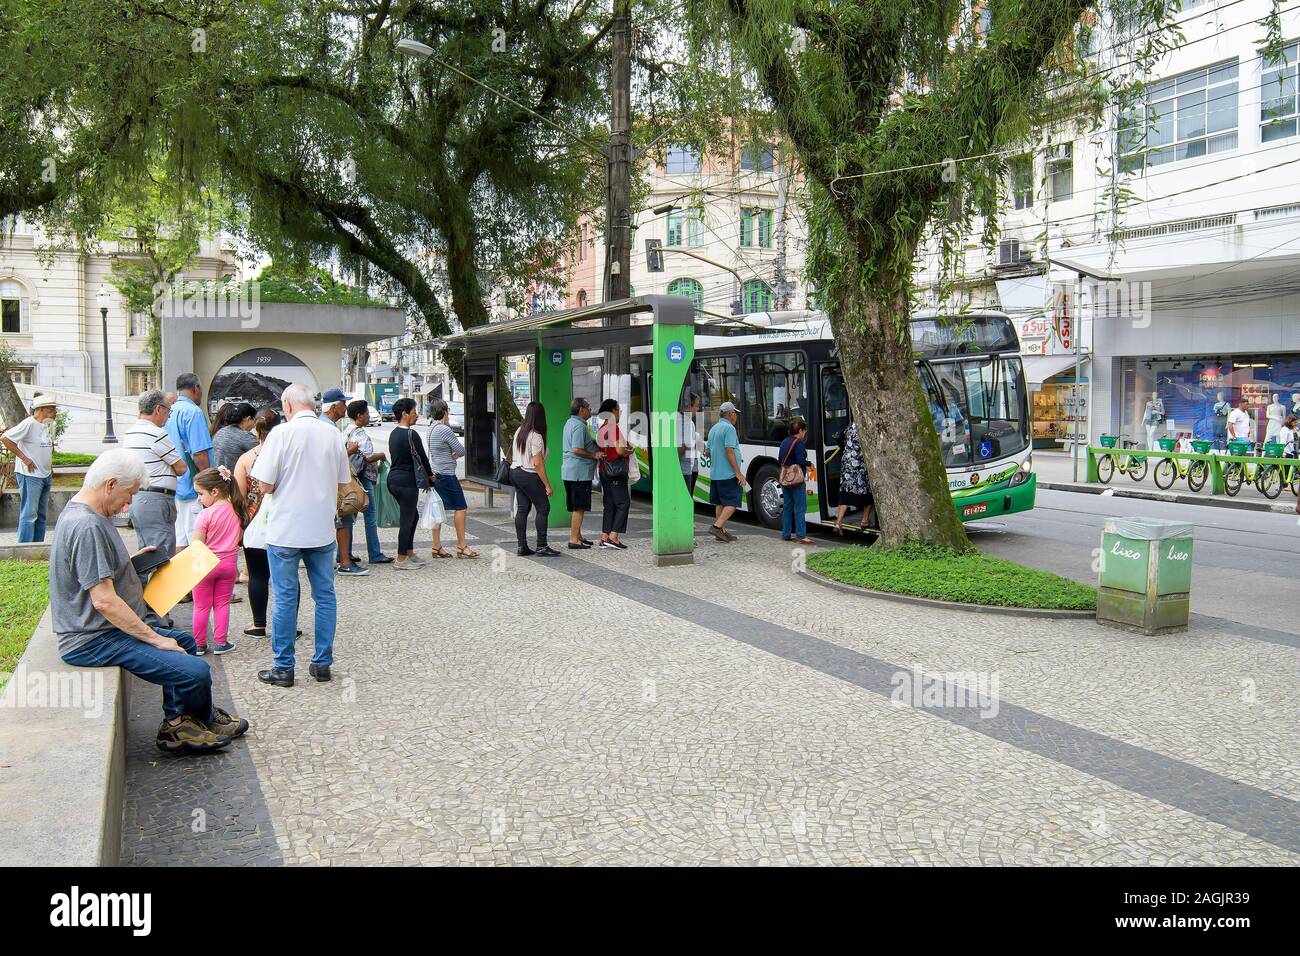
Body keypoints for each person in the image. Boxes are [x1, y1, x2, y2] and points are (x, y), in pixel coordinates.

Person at [50, 449, 247, 753]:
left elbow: (94, 572)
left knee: (184, 641)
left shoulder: (86, 515)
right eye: (128, 495)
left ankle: (180, 722)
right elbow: (103, 601)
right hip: (93, 638)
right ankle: (189, 724)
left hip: (102, 630)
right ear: (110, 484)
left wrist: (131, 563)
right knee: (196, 672)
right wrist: (154, 639)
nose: (128, 505)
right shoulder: (87, 525)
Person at [250, 383, 352, 687]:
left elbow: (265, 485)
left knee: (284, 597)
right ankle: (322, 664)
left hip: (285, 530)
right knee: (325, 596)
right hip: (321, 529)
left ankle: (284, 667)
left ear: (288, 406)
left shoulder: (280, 434)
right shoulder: (332, 434)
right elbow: (342, 481)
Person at [234, 407, 295, 638]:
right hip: (285, 521)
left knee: (258, 575)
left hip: (254, 523)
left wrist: (242, 524)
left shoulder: (246, 459)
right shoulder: (288, 456)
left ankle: (259, 624)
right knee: (288, 577)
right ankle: (289, 625)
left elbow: (239, 495)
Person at [189, 467, 247, 655]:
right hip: (228, 565)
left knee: (201, 606)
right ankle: (221, 643)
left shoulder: (205, 514)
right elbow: (239, 538)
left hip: (205, 565)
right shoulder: (236, 511)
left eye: (200, 493)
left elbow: (196, 544)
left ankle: (199, 644)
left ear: (214, 492)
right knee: (222, 604)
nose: (199, 498)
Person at [124, 390, 186, 559]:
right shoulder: (156, 433)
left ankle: (144, 586)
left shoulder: (130, 432)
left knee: (146, 552)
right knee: (161, 554)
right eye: (168, 410)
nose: (168, 416)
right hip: (156, 499)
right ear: (158, 409)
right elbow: (181, 468)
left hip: (139, 498)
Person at [164, 373, 213, 552]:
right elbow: (199, 453)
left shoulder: (170, 410)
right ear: (196, 389)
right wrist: (209, 482)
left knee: (180, 539)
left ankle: (183, 580)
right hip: (195, 487)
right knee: (198, 540)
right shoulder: (193, 412)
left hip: (176, 484)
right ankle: (200, 580)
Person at [2, 394, 57, 543]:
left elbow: (44, 448)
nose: (55, 413)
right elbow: (5, 438)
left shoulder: (45, 426)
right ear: (42, 409)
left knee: (41, 514)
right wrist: (24, 458)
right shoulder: (29, 423)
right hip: (30, 475)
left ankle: (37, 545)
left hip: (44, 475)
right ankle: (24, 547)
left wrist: (49, 466)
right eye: (52, 409)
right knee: (29, 513)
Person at [427, 398, 477, 559]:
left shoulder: (431, 428)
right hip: (447, 474)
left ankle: (436, 546)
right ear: (445, 411)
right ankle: (462, 545)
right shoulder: (444, 429)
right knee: (461, 507)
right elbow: (461, 450)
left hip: (436, 473)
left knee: (437, 509)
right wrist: (453, 454)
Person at [386, 397, 432, 569]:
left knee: (413, 516)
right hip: (406, 482)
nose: (417, 416)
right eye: (414, 412)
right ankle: (400, 558)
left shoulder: (394, 433)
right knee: (407, 519)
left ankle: (409, 551)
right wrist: (430, 477)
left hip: (394, 480)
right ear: (404, 414)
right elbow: (422, 459)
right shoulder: (411, 434)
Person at [344, 400, 392, 565]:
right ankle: (375, 554)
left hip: (352, 478)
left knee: (349, 515)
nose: (368, 416)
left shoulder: (346, 431)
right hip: (364, 478)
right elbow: (368, 457)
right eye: (366, 413)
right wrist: (381, 455)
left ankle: (345, 553)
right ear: (359, 415)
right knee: (370, 516)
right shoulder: (361, 434)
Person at [510, 400, 558, 557]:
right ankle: (542, 546)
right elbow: (538, 464)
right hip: (528, 474)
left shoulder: (520, 431)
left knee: (523, 508)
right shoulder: (536, 436)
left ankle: (522, 546)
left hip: (515, 473)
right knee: (543, 508)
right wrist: (547, 485)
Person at [706, 400, 747, 542]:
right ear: (730, 414)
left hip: (715, 473)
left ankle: (721, 531)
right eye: (735, 414)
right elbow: (729, 451)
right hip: (727, 474)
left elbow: (707, 453)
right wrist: (738, 473)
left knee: (720, 503)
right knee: (732, 502)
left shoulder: (713, 429)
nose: (736, 416)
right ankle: (717, 527)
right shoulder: (729, 429)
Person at [561, 397, 599, 549]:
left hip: (570, 472)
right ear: (581, 410)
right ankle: (573, 540)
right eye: (588, 407)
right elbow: (577, 449)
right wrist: (594, 455)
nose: (590, 410)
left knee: (576, 506)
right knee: (579, 507)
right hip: (579, 473)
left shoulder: (569, 423)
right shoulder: (579, 426)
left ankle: (578, 535)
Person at [596, 398, 632, 550]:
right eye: (618, 409)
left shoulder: (603, 427)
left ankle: (605, 536)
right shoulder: (613, 428)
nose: (620, 413)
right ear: (612, 411)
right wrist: (628, 451)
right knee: (623, 503)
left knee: (609, 504)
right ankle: (613, 536)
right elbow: (618, 450)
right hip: (615, 471)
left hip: (604, 470)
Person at [835, 421, 875, 534]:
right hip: (860, 464)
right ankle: (865, 520)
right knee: (868, 492)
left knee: (845, 494)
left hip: (847, 464)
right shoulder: (865, 425)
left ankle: (838, 523)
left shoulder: (849, 426)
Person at [779, 417, 814, 544]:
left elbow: (780, 459)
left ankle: (786, 534)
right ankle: (801, 535)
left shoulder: (784, 442)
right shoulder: (798, 443)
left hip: (785, 479)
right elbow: (800, 461)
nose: (804, 433)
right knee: (800, 507)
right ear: (800, 430)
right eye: (804, 431)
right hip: (797, 480)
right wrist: (809, 463)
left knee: (788, 507)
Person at [210, 401, 257, 472]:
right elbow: (263, 453)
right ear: (248, 419)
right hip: (235, 480)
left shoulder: (220, 432)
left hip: (219, 478)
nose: (254, 426)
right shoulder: (244, 436)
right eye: (254, 421)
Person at [677, 392, 700, 498]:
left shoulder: (677, 418)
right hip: (684, 470)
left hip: (685, 468)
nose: (697, 409)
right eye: (696, 406)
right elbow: (680, 449)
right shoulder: (687, 423)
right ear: (688, 406)